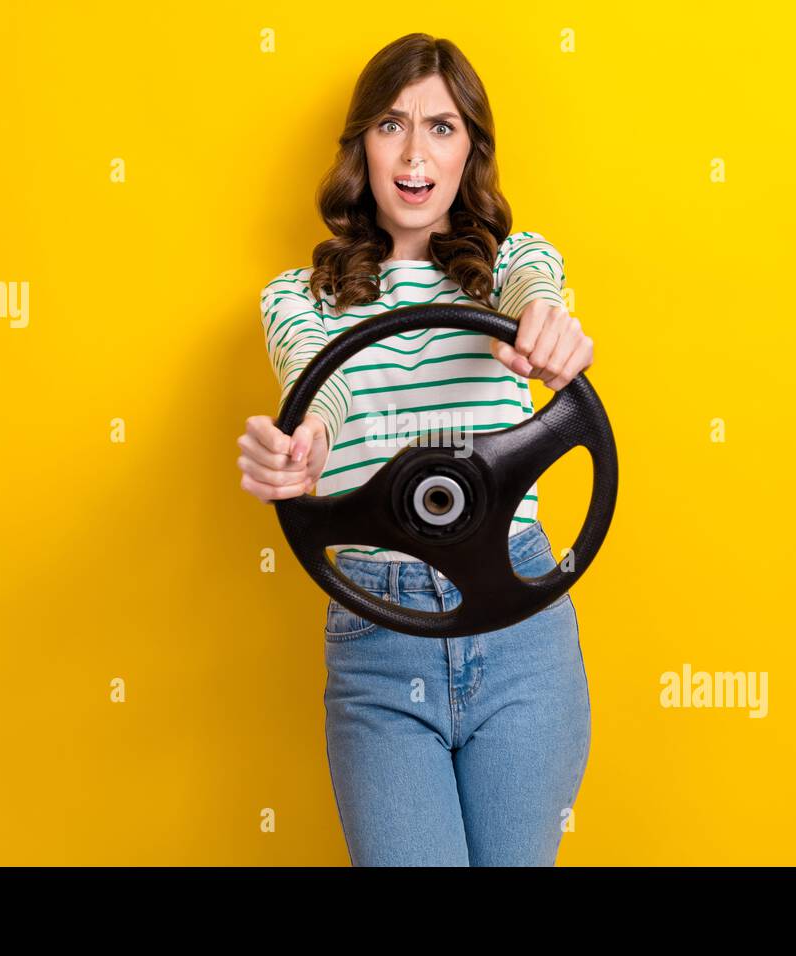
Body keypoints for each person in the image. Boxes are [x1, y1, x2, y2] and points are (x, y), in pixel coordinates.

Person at [237, 33, 594, 866]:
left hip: (522, 631)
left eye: (441, 127)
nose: (413, 152)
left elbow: (539, 292)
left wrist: (546, 329)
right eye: (392, 124)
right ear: (362, 143)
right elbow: (320, 387)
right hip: (377, 631)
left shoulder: (511, 266)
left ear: (470, 149)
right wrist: (303, 445)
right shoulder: (302, 297)